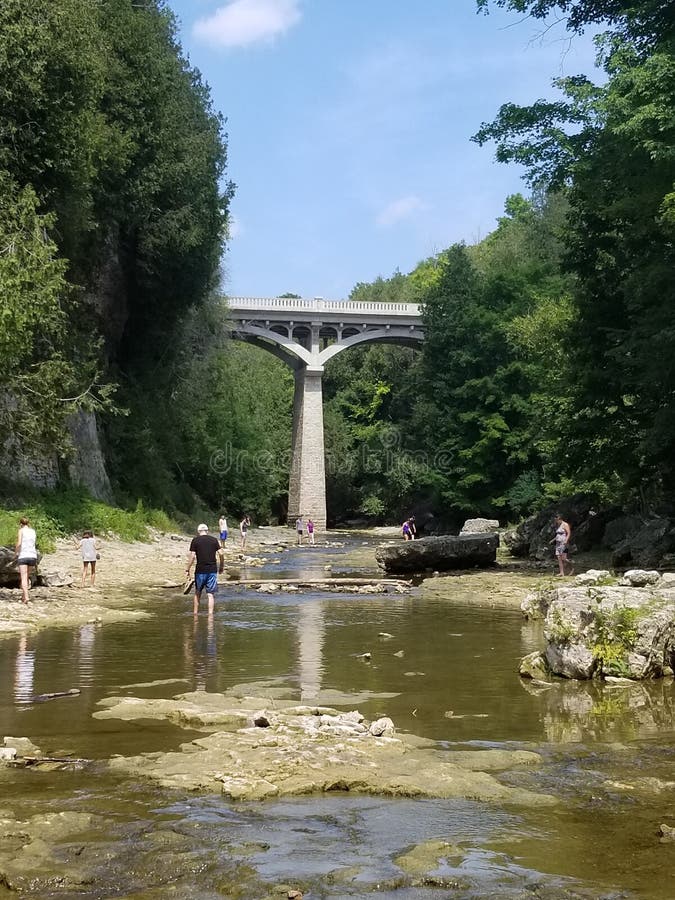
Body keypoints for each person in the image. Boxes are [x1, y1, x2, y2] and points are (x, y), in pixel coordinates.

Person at [185, 523, 223, 615]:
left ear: (198, 531)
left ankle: (195, 615)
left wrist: (187, 569)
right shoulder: (214, 540)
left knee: (197, 592)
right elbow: (221, 553)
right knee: (210, 594)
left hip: (200, 570)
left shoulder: (195, 540)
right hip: (212, 570)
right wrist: (221, 566)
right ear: (207, 531)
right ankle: (210, 616)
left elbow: (192, 556)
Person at [15, 517, 37, 604]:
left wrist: (16, 552)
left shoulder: (21, 531)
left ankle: (27, 597)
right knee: (27, 576)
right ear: (28, 523)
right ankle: (23, 596)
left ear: (21, 524)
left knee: (23, 577)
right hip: (33, 556)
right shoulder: (33, 531)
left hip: (23, 556)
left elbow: (19, 543)